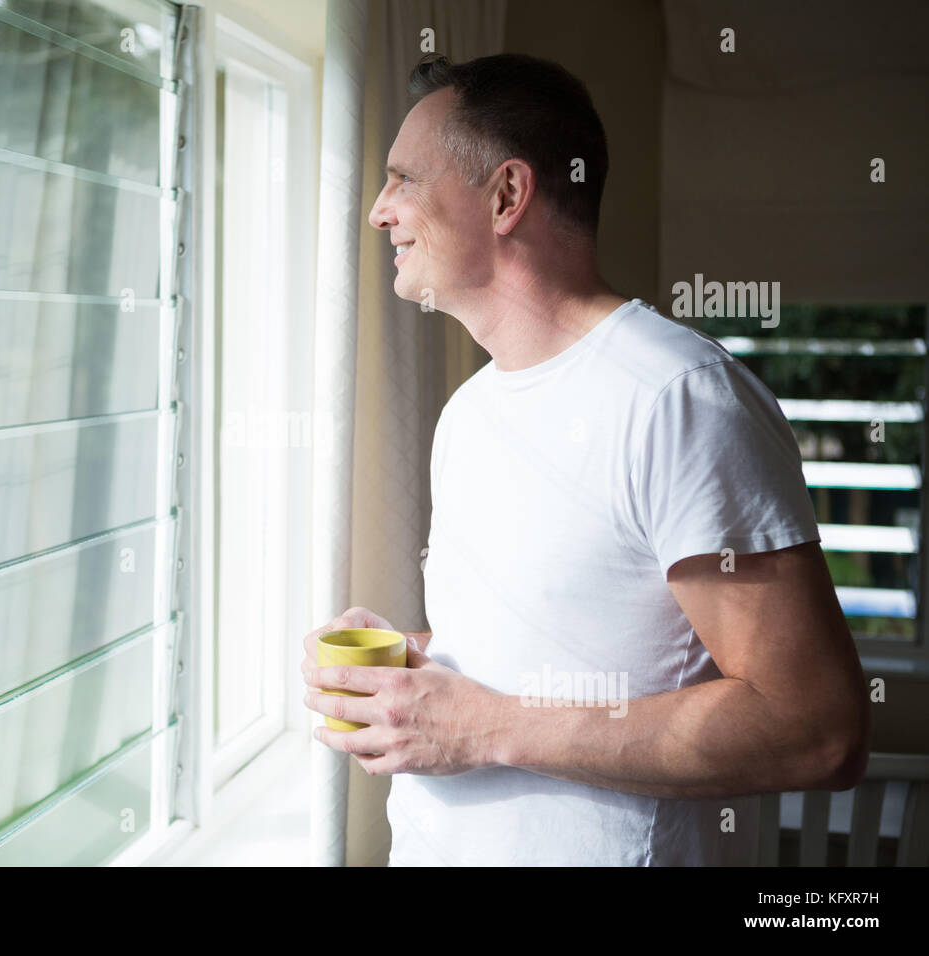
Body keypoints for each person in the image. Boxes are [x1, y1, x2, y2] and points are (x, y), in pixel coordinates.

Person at [301, 53, 870, 866]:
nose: (378, 212)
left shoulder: (679, 400)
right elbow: (558, 646)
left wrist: (478, 728)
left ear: (506, 196)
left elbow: (817, 730)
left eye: (402, 180)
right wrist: (412, 669)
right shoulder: (470, 411)